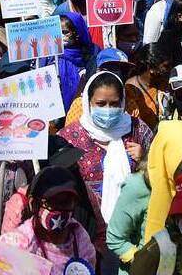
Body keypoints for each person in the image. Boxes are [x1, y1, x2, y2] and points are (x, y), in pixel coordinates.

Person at [58, 71, 153, 219]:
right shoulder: (68, 138)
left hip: (134, 225)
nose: (108, 110)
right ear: (88, 102)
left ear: (122, 103)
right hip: (88, 231)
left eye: (114, 104)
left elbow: (158, 173)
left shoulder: (138, 130)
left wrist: (144, 160)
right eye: (101, 104)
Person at [41, 12, 100, 112]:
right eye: (57, 32)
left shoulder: (93, 52)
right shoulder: (47, 55)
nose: (60, 36)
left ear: (77, 33)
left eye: (64, 32)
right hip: (55, 108)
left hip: (82, 108)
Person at [124, 42, 175, 131]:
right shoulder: (131, 89)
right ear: (151, 68)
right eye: (166, 66)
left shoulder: (167, 84)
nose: (171, 69)